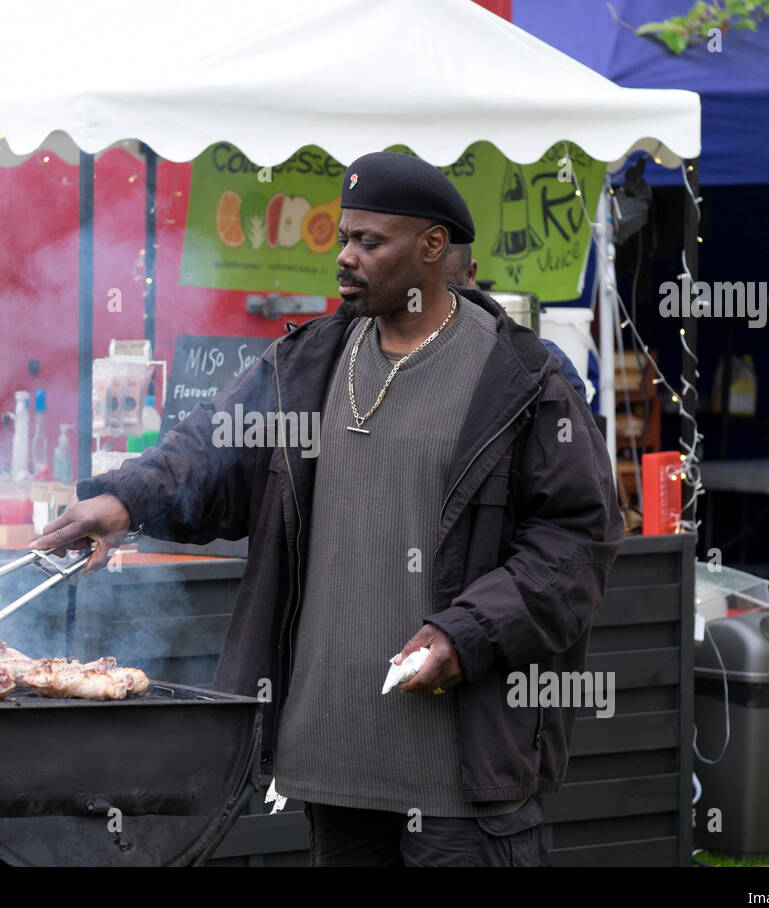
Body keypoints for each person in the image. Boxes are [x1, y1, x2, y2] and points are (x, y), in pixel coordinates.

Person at [33, 151, 624, 866]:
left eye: (369, 242)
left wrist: (467, 634)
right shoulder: (304, 366)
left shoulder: (523, 379)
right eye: (343, 238)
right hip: (334, 764)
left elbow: (575, 544)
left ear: (432, 247)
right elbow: (206, 457)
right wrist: (125, 498)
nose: (345, 257)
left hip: (461, 784)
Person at [442, 243, 589, 405]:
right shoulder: (412, 361)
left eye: (447, 291)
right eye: (417, 291)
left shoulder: (541, 366)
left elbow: (575, 427)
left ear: (470, 274)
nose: (431, 309)